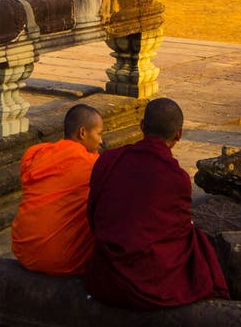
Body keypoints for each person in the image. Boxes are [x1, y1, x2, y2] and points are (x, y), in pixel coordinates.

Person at [85, 98, 229, 308]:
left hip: (106, 278)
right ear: (178, 134)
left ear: (142, 126)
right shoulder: (176, 178)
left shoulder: (108, 160)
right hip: (151, 283)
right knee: (197, 241)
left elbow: (93, 215)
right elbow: (176, 234)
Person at [12, 103, 103, 275]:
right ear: (83, 133)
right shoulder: (94, 166)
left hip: (23, 250)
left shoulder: (35, 153)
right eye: (99, 134)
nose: (100, 140)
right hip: (64, 261)